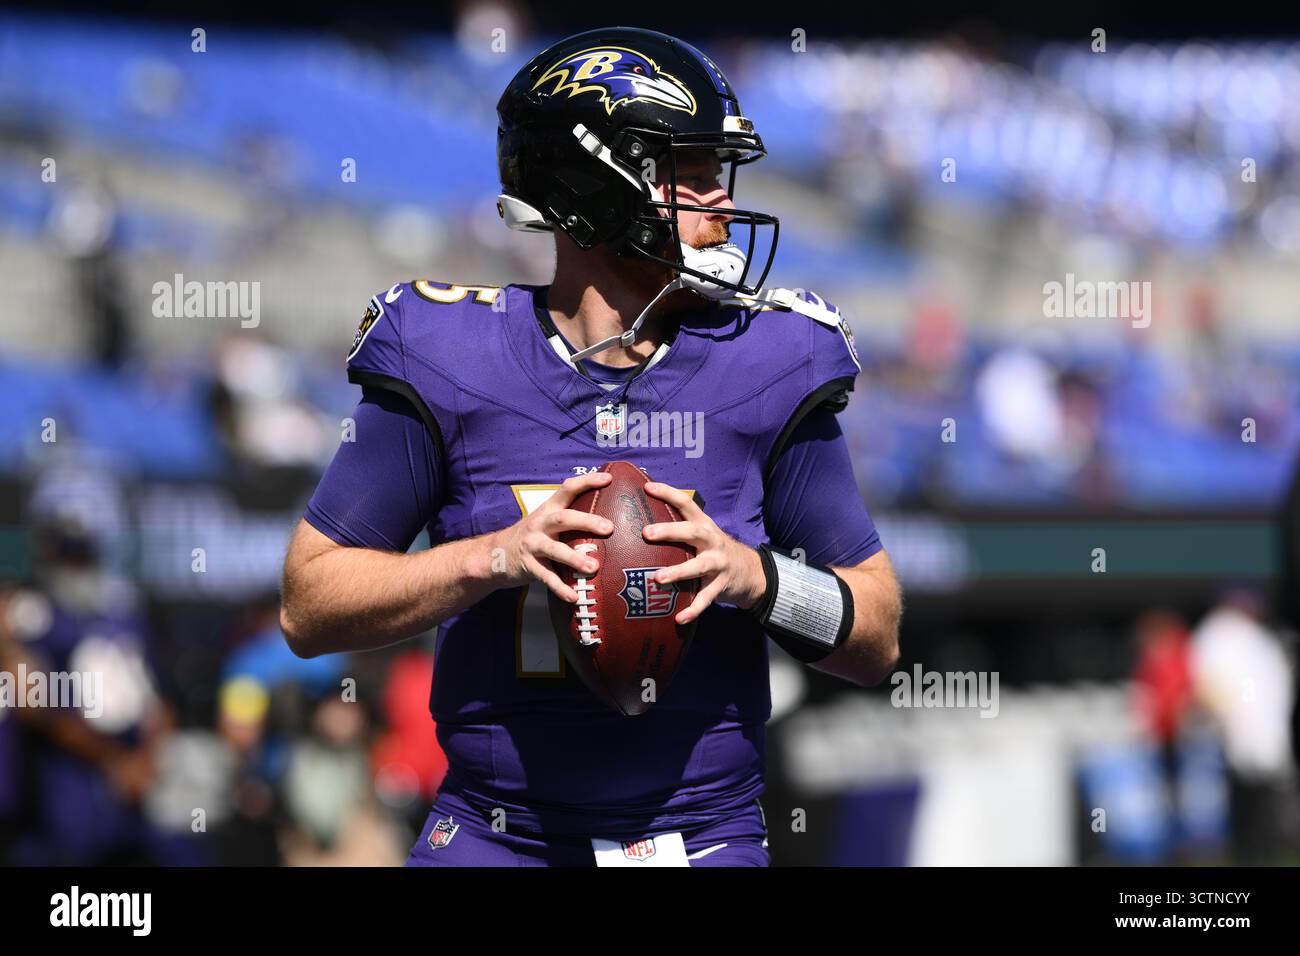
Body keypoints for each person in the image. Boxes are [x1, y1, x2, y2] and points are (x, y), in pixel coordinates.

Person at [281, 27, 902, 867]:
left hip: (703, 839)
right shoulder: (449, 354)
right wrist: (491, 559)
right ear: (594, 186)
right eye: (689, 170)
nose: (720, 199)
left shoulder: (769, 362)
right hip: (497, 836)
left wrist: (755, 577)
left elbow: (879, 637)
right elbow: (309, 606)